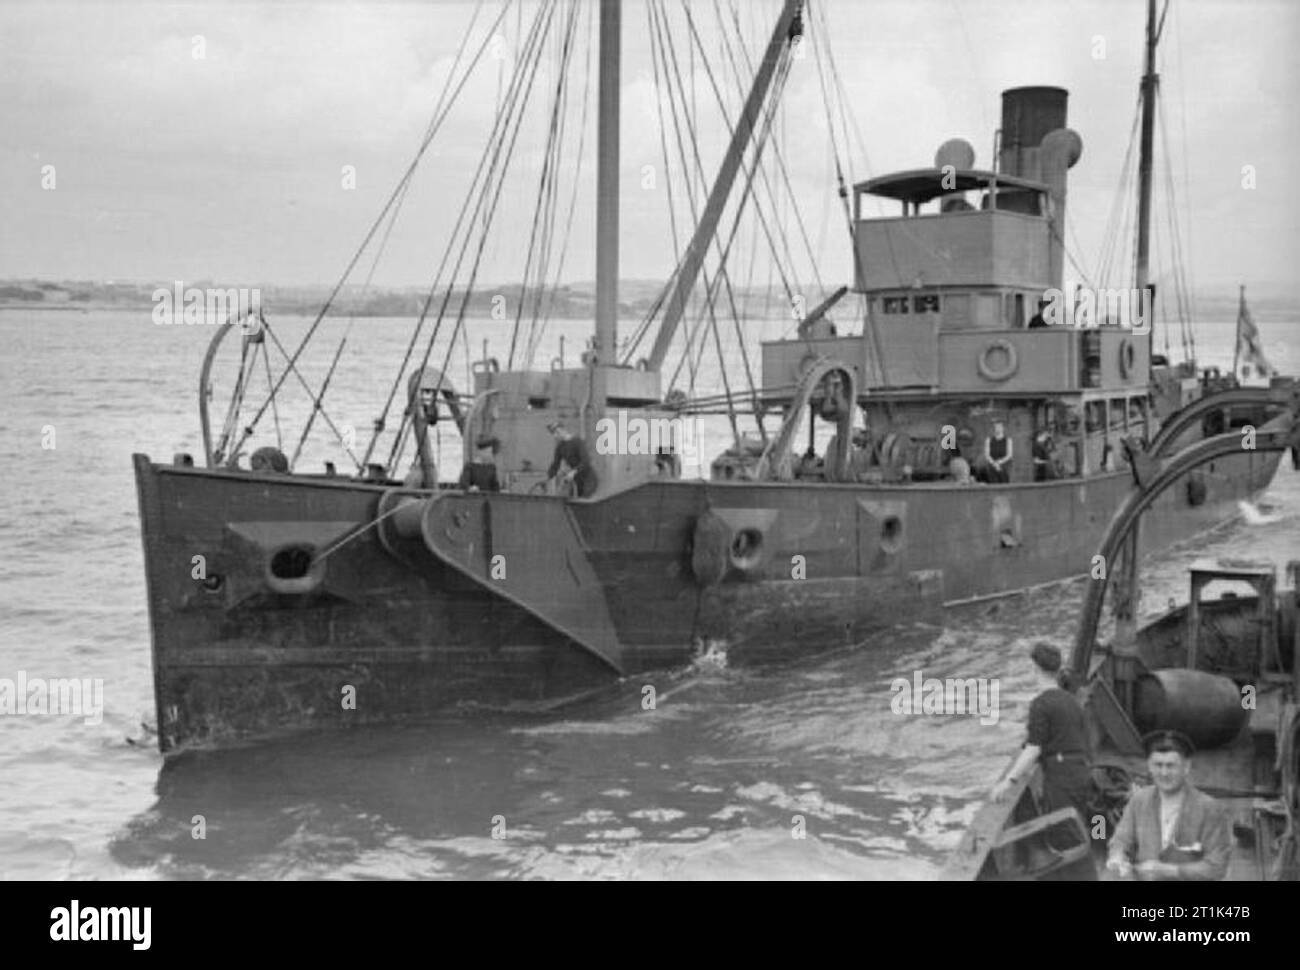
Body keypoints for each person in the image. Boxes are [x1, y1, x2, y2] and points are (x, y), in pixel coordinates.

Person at [991, 643, 1097, 878]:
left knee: (1068, 837)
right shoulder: (1071, 701)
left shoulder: (1040, 704)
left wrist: (1007, 782)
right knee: (1086, 826)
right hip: (1082, 771)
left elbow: (1033, 749)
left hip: (1061, 777)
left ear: (1035, 669)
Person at [1105, 730, 1232, 881]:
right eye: (1158, 765)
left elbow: (1216, 868)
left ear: (1186, 767)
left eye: (1171, 765)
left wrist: (1169, 871)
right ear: (1149, 767)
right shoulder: (1139, 801)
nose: (1164, 773)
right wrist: (1117, 858)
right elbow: (1121, 840)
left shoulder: (1209, 809)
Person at [546, 421, 597, 497]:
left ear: (563, 430)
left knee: (585, 501)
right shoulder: (560, 447)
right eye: (553, 433)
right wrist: (549, 478)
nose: (555, 436)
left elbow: (586, 461)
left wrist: (574, 472)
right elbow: (555, 464)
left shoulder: (577, 442)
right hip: (576, 480)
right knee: (572, 501)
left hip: (588, 479)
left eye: (557, 432)